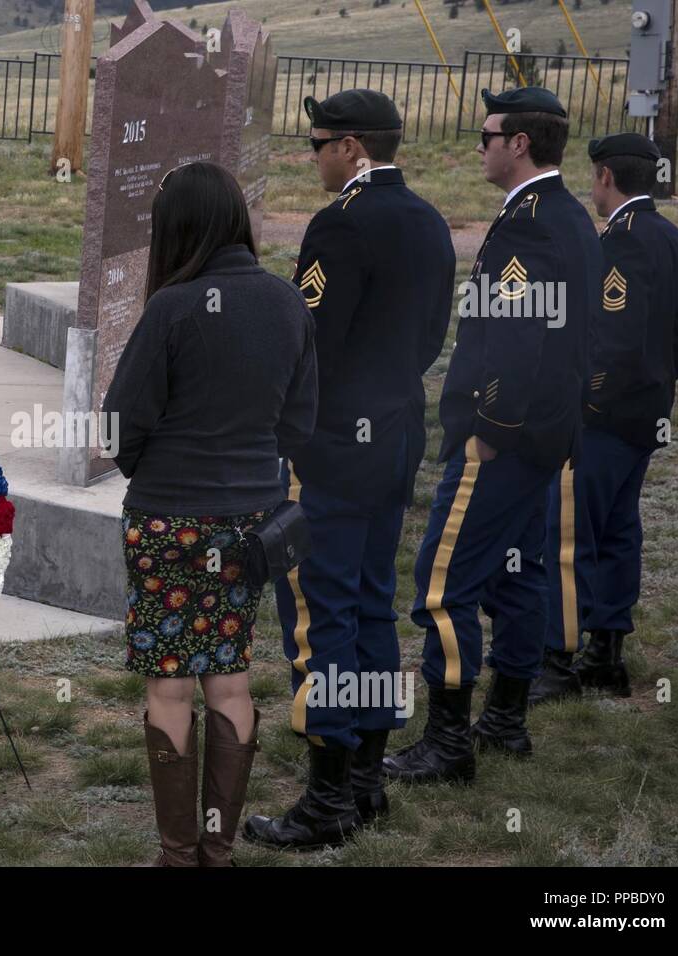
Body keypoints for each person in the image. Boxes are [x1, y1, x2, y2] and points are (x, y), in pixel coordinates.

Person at [242, 90, 454, 852]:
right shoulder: (429, 221)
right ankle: (365, 776)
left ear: (353, 147)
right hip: (394, 437)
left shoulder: (342, 223)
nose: (313, 155)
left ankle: (329, 796)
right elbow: (430, 336)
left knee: (318, 613)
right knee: (370, 603)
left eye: (318, 142)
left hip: (331, 446)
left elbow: (311, 342)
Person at [101, 161, 318, 866]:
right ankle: (218, 848)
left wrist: (155, 466)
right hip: (250, 522)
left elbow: (119, 428)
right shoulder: (289, 304)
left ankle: (177, 850)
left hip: (168, 518)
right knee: (228, 675)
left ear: (180, 228)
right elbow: (299, 422)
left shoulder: (172, 307)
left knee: (170, 679)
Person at [383, 87, 601, 785]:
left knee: (443, 589)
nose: (479, 146)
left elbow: (515, 342)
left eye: (488, 135)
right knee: (518, 576)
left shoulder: (531, 225)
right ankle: (505, 722)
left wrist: (490, 432)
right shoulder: (567, 216)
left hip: (504, 442)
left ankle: (448, 744)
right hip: (547, 438)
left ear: (521, 144)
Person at [531, 132, 678, 704]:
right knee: (620, 530)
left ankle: (558, 660)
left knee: (570, 537)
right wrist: (657, 385)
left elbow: (614, 344)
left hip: (604, 422)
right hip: (645, 418)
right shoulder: (673, 237)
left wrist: (589, 403)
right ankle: (607, 652)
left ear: (606, 176)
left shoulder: (622, 241)